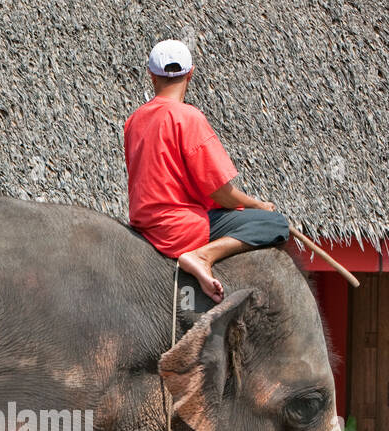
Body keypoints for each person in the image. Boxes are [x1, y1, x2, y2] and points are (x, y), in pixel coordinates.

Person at [124, 39, 290, 303]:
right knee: (275, 224)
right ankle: (202, 256)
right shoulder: (188, 117)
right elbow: (220, 192)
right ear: (190, 74)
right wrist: (257, 205)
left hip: (145, 222)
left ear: (152, 76)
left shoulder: (134, 120)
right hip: (179, 228)